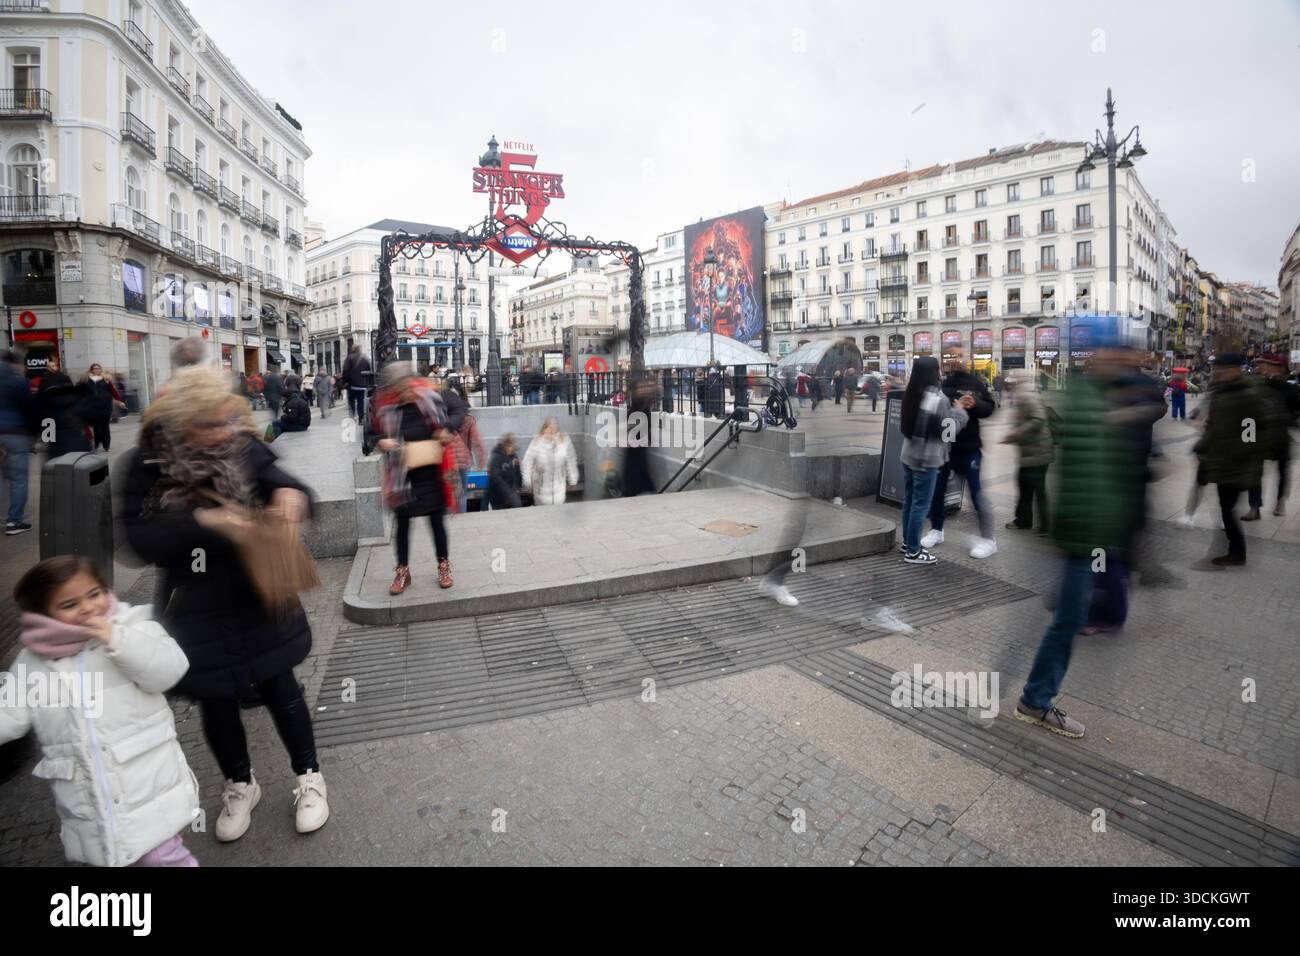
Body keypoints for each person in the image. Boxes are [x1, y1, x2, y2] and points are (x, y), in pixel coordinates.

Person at [121, 366, 329, 841]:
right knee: (215, 699)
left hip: (256, 592)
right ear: (179, 422)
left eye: (226, 420)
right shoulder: (146, 465)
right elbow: (139, 543)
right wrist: (205, 522)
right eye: (209, 424)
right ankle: (240, 783)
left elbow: (289, 485)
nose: (223, 432)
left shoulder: (241, 446)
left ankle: (309, 776)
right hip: (193, 604)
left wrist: (294, 497)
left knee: (281, 686)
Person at [0, 556, 200, 866]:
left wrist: (118, 641)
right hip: (86, 801)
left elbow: (169, 670)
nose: (88, 608)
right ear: (43, 614)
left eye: (94, 594)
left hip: (146, 787)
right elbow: (9, 714)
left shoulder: (133, 625)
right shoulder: (31, 661)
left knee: (162, 859)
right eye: (69, 604)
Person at [1014, 331, 1132, 739]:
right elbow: (1085, 476)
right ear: (1099, 353)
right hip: (1085, 533)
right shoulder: (1088, 400)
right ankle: (1035, 700)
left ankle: (1036, 696)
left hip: (1090, 533)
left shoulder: (1096, 397)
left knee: (1070, 617)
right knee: (1067, 621)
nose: (1123, 359)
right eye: (1117, 351)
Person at [372, 364, 456, 594]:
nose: (406, 390)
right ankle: (403, 571)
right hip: (403, 477)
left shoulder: (430, 399)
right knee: (403, 524)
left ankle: (443, 566)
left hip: (431, 473)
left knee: (436, 521)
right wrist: (381, 442)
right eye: (400, 387)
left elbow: (457, 414)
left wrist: (445, 431)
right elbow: (371, 435)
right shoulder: (386, 410)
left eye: (407, 384)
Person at [1192, 354, 1281, 569]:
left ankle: (1236, 552)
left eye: (1221, 369)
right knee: (1225, 508)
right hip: (1222, 461)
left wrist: (1239, 454)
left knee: (1227, 509)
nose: (1217, 373)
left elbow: (1251, 435)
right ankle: (1233, 551)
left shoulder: (1245, 397)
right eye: (1216, 369)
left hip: (1236, 464)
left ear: (1234, 370)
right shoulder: (1223, 393)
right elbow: (1215, 427)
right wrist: (1203, 446)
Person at [921, 356, 998, 558]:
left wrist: (976, 404)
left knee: (976, 493)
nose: (956, 360)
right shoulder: (943, 384)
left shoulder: (976, 383)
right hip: (945, 448)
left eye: (960, 356)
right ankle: (936, 529)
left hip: (969, 448)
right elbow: (936, 418)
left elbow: (990, 408)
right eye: (952, 356)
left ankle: (989, 539)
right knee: (937, 491)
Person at [899, 356, 968, 566]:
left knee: (910, 501)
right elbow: (948, 433)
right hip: (926, 459)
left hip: (908, 455)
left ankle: (907, 543)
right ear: (934, 372)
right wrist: (960, 413)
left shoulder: (911, 393)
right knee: (920, 505)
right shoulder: (937, 399)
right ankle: (913, 551)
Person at [1244, 354, 1298, 518]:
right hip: (1258, 435)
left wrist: (1288, 418)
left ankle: (1280, 503)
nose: (1261, 368)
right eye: (1260, 365)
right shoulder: (1257, 386)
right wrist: (1247, 437)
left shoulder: (1290, 389)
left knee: (1282, 470)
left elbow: (1296, 411)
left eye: (1266, 365)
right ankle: (1254, 507)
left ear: (1280, 369)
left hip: (1280, 435)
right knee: (1254, 470)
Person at [1001, 370, 1054, 534]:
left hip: (1036, 453)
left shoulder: (1025, 394)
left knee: (1031, 488)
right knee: (1030, 488)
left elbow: (1038, 418)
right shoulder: (1028, 391)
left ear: (1017, 381)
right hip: (1035, 451)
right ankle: (1030, 522)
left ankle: (1032, 523)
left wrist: (1015, 434)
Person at [1, 350, 34, 535]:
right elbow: (29, 408)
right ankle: (14, 521)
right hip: (15, 434)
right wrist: (34, 434)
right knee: (18, 479)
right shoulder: (18, 381)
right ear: (15, 364)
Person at [35, 355, 92, 459]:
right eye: (50, 366)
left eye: (54, 366)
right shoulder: (77, 400)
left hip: (57, 448)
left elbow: (42, 422)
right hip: (79, 446)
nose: (53, 368)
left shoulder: (47, 404)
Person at [522, 416, 578, 506]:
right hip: (541, 490)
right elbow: (527, 461)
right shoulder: (537, 441)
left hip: (559, 490)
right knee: (543, 513)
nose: (552, 427)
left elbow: (571, 459)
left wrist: (573, 478)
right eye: (550, 424)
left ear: (558, 426)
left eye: (555, 424)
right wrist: (527, 482)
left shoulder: (564, 440)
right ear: (545, 426)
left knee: (558, 512)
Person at [447, 400, 486, 514]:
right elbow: (477, 442)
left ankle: (450, 515)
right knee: (463, 492)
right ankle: (462, 515)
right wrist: (481, 459)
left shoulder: (446, 418)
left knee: (449, 490)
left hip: (449, 460)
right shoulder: (469, 419)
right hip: (464, 460)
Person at [79, 363, 124, 451]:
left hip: (105, 406)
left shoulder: (106, 379)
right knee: (96, 427)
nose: (97, 370)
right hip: (92, 407)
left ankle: (106, 446)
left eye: (98, 368)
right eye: (95, 368)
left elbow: (113, 391)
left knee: (105, 427)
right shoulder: (86, 380)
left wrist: (119, 401)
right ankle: (97, 443)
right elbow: (81, 392)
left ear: (101, 369)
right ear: (91, 370)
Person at [487, 433, 523, 509]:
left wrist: (517, 488)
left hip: (511, 492)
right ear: (504, 445)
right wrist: (509, 493)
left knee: (517, 506)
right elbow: (496, 477)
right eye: (508, 446)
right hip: (498, 494)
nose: (511, 448)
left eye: (512, 446)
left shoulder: (514, 457)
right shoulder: (497, 457)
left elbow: (517, 474)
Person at [338, 344, 372, 422]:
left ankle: (352, 416)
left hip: (352, 385)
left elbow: (345, 371)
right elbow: (369, 370)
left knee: (351, 400)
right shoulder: (365, 358)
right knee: (361, 401)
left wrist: (345, 381)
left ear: (353, 349)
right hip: (363, 385)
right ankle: (361, 417)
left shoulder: (349, 357)